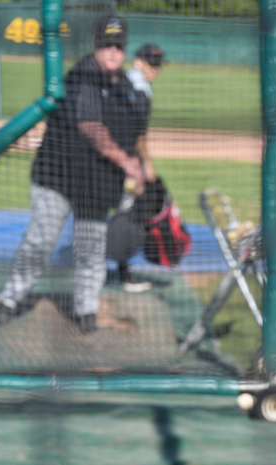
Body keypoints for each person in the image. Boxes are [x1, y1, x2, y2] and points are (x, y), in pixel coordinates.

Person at [0, 15, 149, 334]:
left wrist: (139, 166)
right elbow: (92, 128)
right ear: (95, 46)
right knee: (40, 242)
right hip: (58, 179)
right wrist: (126, 161)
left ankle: (86, 311)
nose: (112, 52)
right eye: (106, 44)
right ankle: (9, 299)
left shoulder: (130, 91)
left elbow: (136, 135)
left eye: (118, 46)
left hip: (97, 187)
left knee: (92, 250)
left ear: (125, 51)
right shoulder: (83, 76)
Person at [115, 43, 164, 291]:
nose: (154, 68)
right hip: (123, 162)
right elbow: (139, 136)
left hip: (101, 157)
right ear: (138, 61)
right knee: (126, 214)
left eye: (157, 64)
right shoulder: (142, 90)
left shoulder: (121, 80)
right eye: (150, 62)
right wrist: (147, 165)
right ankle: (124, 275)